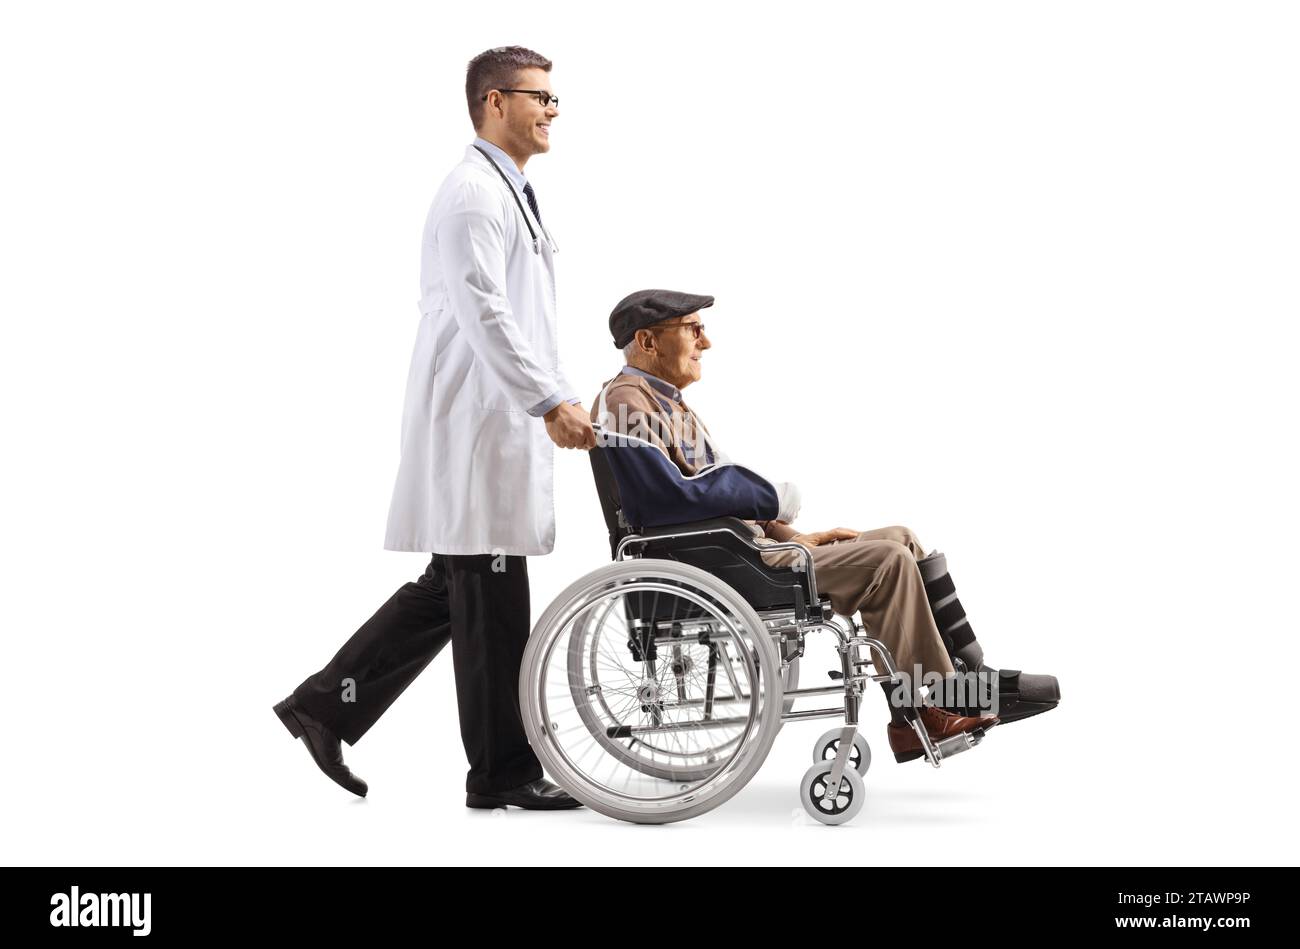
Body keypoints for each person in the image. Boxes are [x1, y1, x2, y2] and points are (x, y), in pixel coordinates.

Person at [273, 46, 595, 809]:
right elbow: (488, 312)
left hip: (491, 418)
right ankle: (502, 773)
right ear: (493, 101)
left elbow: (518, 312)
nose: (552, 110)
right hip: (479, 421)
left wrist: (553, 391)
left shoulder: (507, 190)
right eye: (539, 96)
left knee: (457, 589)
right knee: (486, 596)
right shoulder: (472, 197)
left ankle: (326, 705)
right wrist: (549, 399)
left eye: (555, 98)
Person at [591, 289, 1060, 763]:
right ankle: (930, 703)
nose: (705, 342)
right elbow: (664, 503)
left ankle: (971, 674)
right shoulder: (628, 400)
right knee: (887, 561)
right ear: (648, 341)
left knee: (902, 539)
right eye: (693, 329)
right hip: (715, 564)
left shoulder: (665, 402)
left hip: (736, 550)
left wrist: (795, 538)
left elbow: (709, 500)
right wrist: (771, 498)